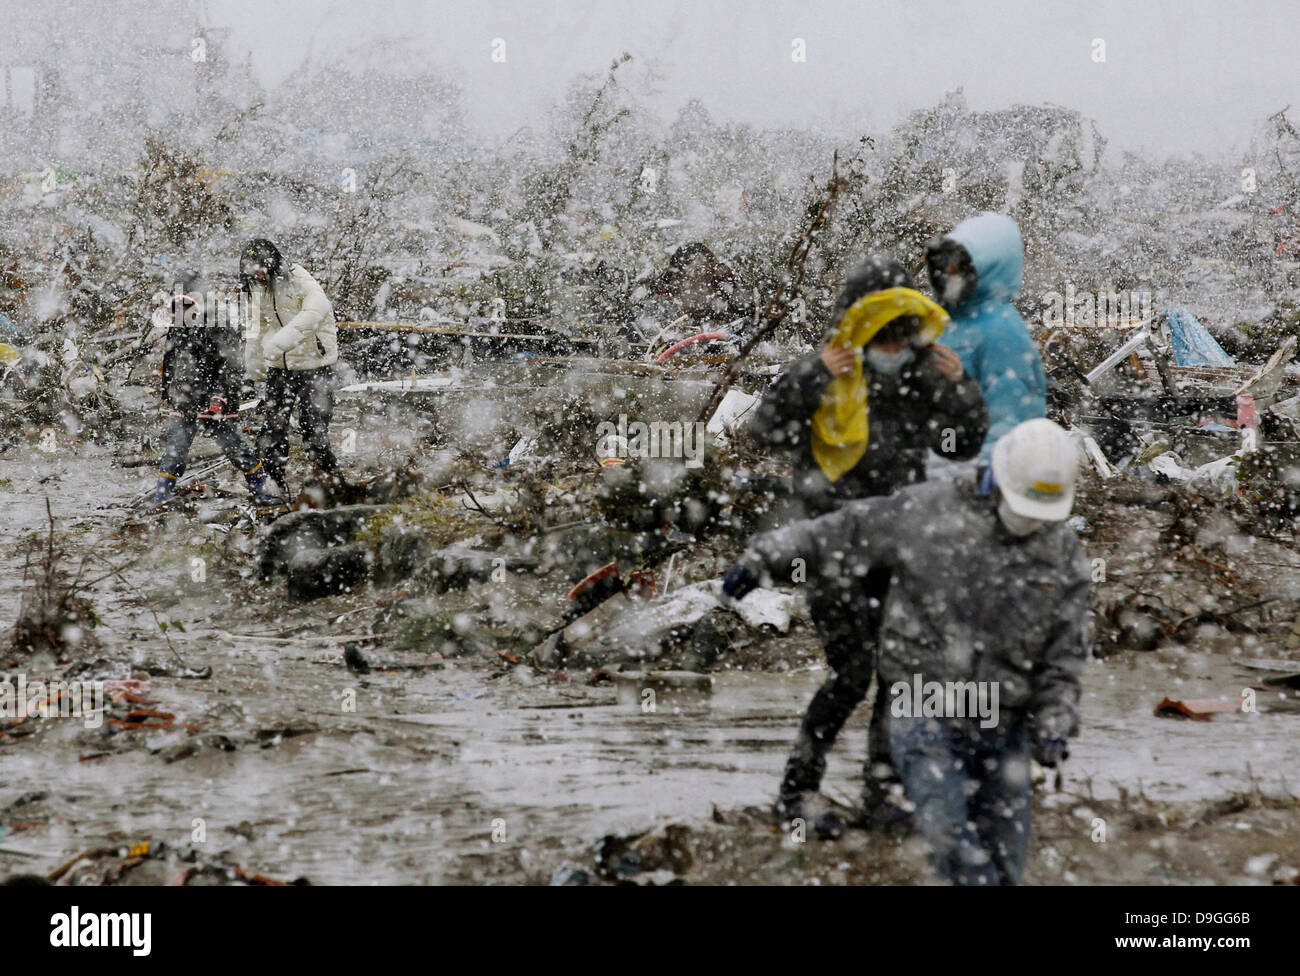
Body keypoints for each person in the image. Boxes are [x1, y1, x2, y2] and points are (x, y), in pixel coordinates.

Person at [724, 419, 1091, 884]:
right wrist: (764, 557)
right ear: (996, 477)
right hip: (925, 707)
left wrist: (1057, 716)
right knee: (957, 851)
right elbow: (841, 531)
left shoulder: (1060, 548)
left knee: (1004, 862)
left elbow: (1067, 647)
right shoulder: (928, 512)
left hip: (1006, 719)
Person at [747, 255, 988, 836]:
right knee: (851, 673)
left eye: (902, 333)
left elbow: (958, 444)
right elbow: (766, 432)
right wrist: (813, 378)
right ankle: (796, 790)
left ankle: (883, 793)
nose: (893, 345)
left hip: (901, 546)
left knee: (900, 674)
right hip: (828, 546)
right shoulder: (826, 371)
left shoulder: (922, 376)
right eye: (882, 334)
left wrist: (959, 388)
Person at [925, 213, 1047, 467]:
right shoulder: (947, 319)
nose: (948, 271)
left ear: (988, 269)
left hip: (968, 474)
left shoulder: (1000, 329)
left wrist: (984, 471)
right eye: (946, 261)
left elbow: (1012, 414)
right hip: (943, 464)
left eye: (959, 264)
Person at [152, 270, 280, 508]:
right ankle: (163, 494)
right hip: (185, 399)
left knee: (234, 448)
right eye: (176, 304)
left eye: (186, 302)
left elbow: (230, 366)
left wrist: (220, 396)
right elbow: (171, 360)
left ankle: (261, 486)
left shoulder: (220, 324)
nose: (181, 309)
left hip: (215, 401)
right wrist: (168, 390)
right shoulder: (179, 324)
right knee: (175, 450)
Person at [239, 239, 342, 495]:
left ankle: (332, 482)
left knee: (314, 430)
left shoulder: (299, 279)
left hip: (314, 365)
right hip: (281, 368)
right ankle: (273, 486)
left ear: (272, 265)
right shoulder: (255, 288)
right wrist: (254, 360)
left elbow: (316, 311)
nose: (258, 276)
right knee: (273, 428)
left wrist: (282, 341)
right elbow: (256, 324)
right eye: (253, 270)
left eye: (262, 269)